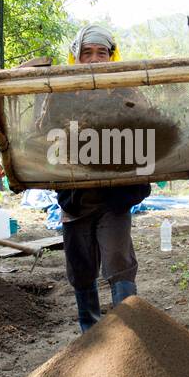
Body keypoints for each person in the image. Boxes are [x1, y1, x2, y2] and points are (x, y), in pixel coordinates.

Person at [50, 24, 152, 333]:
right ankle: (90, 336)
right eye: (87, 53)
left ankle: (129, 334)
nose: (95, 59)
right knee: (81, 269)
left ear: (112, 56)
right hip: (75, 201)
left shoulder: (127, 92)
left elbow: (146, 136)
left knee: (119, 262)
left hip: (114, 200)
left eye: (102, 53)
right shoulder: (61, 96)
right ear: (76, 58)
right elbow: (46, 139)